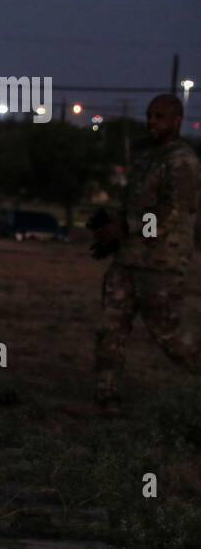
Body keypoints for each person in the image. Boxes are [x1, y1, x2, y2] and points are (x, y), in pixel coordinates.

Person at [92, 93, 201, 415]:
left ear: (177, 121)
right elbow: (132, 202)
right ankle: (107, 398)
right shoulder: (145, 157)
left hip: (161, 263)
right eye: (150, 116)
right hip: (128, 260)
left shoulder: (183, 162)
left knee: (170, 337)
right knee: (110, 327)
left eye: (160, 117)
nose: (152, 122)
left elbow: (172, 214)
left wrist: (126, 227)